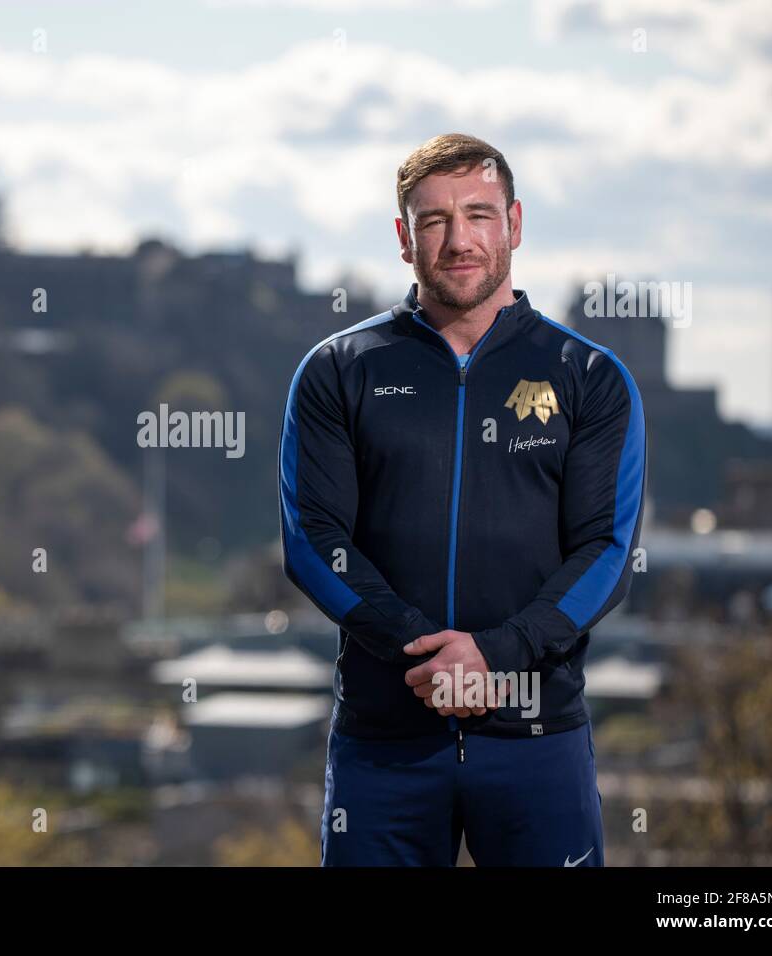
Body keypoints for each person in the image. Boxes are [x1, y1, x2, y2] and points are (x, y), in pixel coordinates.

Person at [278, 133, 647, 866]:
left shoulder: (590, 377)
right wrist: (430, 655)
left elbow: (605, 553)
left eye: (478, 215)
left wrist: (495, 658)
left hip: (538, 739)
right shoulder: (337, 371)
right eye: (434, 220)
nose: (458, 240)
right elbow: (312, 542)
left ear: (514, 224)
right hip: (384, 743)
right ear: (403, 239)